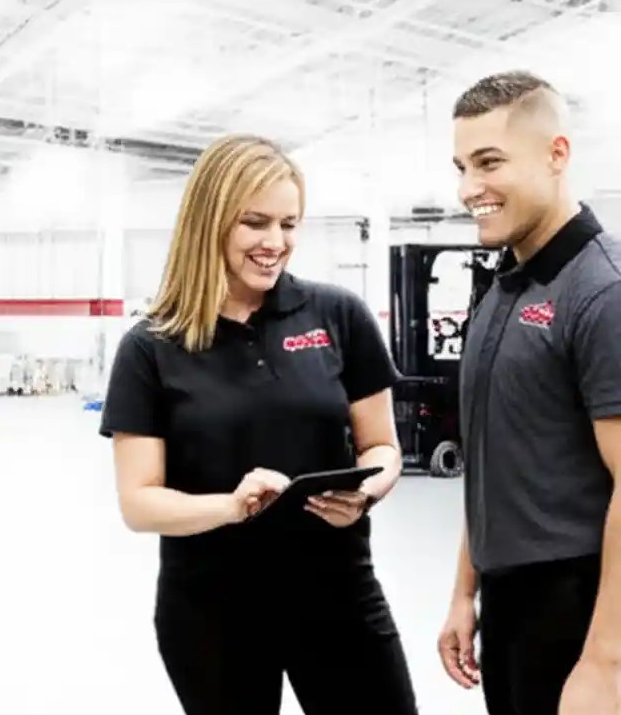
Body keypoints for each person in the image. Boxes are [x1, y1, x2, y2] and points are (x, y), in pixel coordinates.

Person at [98, 134, 417, 714]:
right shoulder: (151, 347)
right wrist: (230, 506)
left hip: (338, 595)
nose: (276, 243)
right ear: (210, 222)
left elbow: (381, 447)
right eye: (255, 223)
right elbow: (138, 502)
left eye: (289, 224)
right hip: (213, 610)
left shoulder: (337, 314)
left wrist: (366, 491)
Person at [438, 71, 621, 715]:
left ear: (557, 154)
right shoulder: (504, 288)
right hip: (509, 602)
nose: (468, 189)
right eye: (461, 166)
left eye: (490, 163)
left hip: (579, 604)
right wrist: (466, 591)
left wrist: (604, 662)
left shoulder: (604, 291)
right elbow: (494, 459)